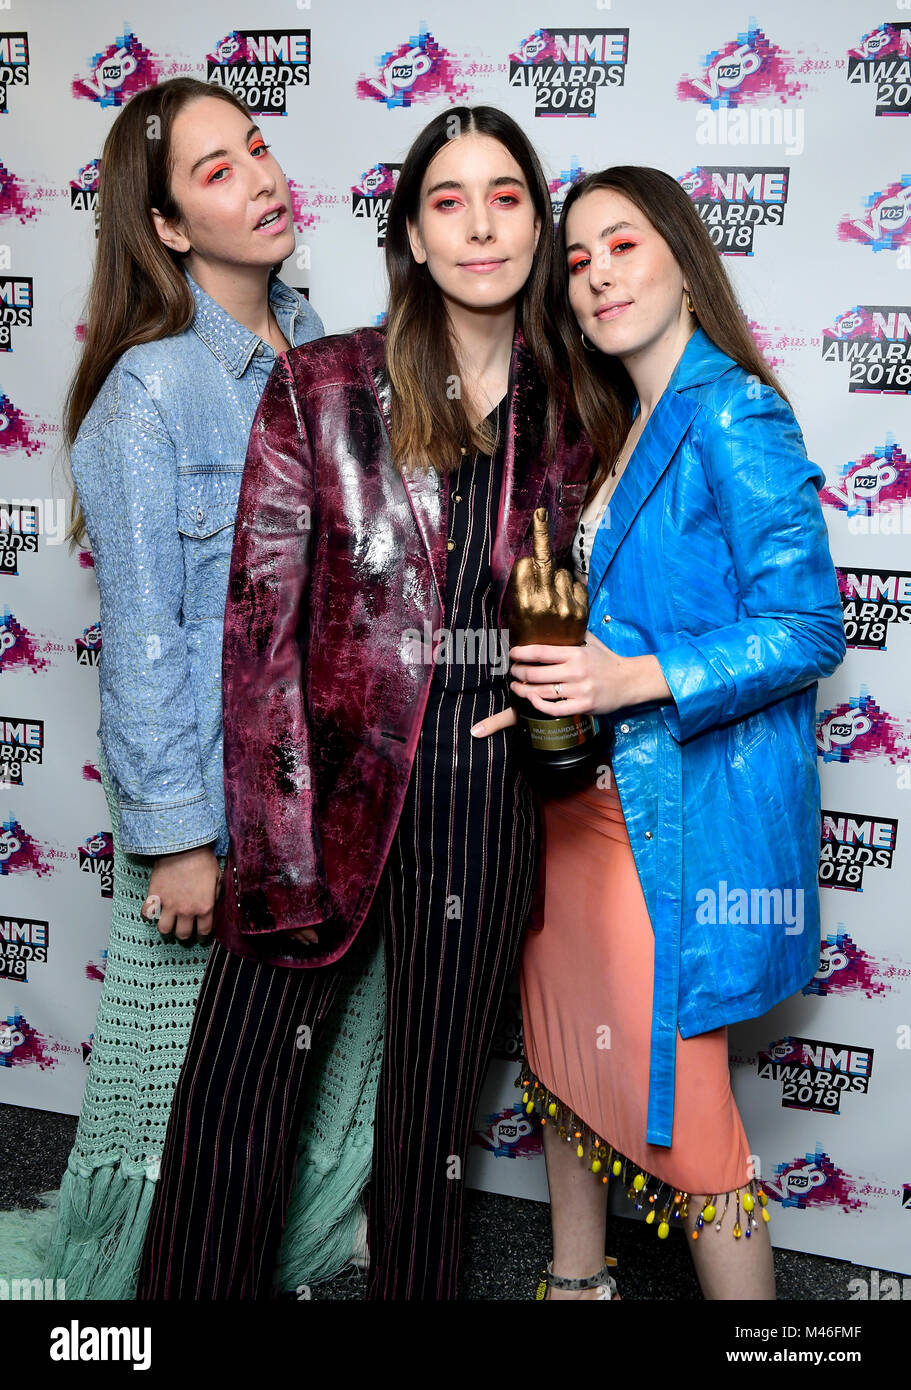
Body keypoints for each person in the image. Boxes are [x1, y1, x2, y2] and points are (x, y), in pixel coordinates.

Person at [135, 104, 594, 1301]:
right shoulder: (320, 385)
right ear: (410, 233)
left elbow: (598, 597)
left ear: (536, 231)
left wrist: (564, 700)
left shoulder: (576, 408)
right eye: (448, 200)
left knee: (430, 1130)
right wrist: (272, 839)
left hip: (483, 798)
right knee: (235, 1103)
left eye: (506, 197)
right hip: (321, 792)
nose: (480, 224)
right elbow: (256, 637)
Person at [29, 77, 379, 1299]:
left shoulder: (322, 337)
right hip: (217, 812)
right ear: (169, 226)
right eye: (218, 169)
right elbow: (146, 637)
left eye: (259, 147)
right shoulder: (150, 393)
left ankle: (266, 1249)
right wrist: (176, 840)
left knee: (300, 1061)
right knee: (174, 1078)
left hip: (328, 787)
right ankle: (131, 1296)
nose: (263, 177)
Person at [471, 166, 846, 1300]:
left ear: (681, 258)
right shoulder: (626, 422)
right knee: (564, 1054)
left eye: (620, 246)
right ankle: (576, 1282)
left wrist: (631, 678)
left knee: (687, 1121)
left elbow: (805, 626)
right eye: (576, 261)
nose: (594, 277)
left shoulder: (731, 406)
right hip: (580, 813)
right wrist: (551, 690)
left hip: (670, 825)